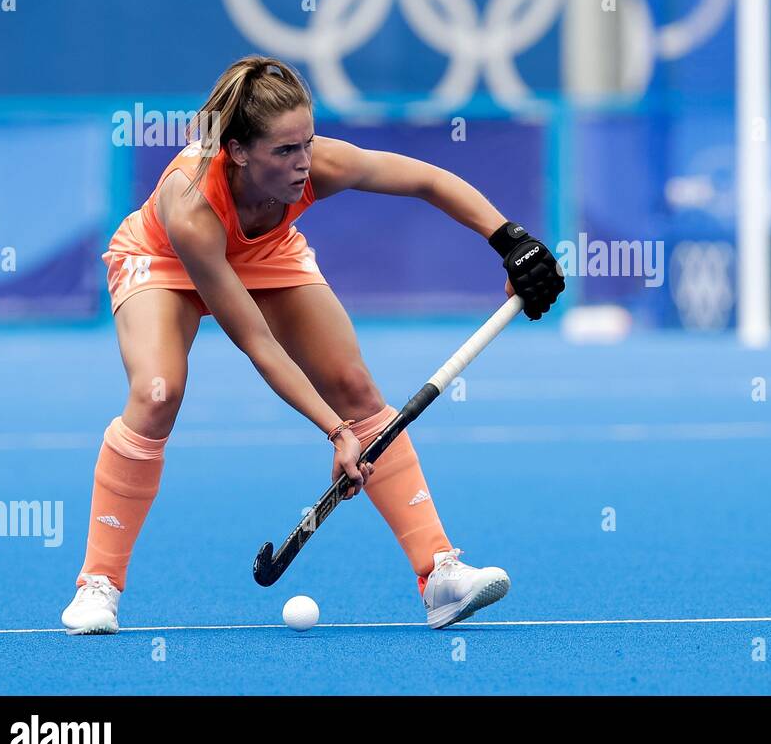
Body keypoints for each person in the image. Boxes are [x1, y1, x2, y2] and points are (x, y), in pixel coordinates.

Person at [60, 55, 564, 634]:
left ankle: (440, 575)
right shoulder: (191, 205)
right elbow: (256, 341)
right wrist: (336, 432)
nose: (304, 164)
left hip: (264, 254)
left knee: (355, 387)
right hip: (164, 261)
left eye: (307, 142)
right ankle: (98, 584)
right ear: (239, 151)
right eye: (284, 152)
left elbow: (426, 180)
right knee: (157, 392)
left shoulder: (317, 163)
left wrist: (511, 240)